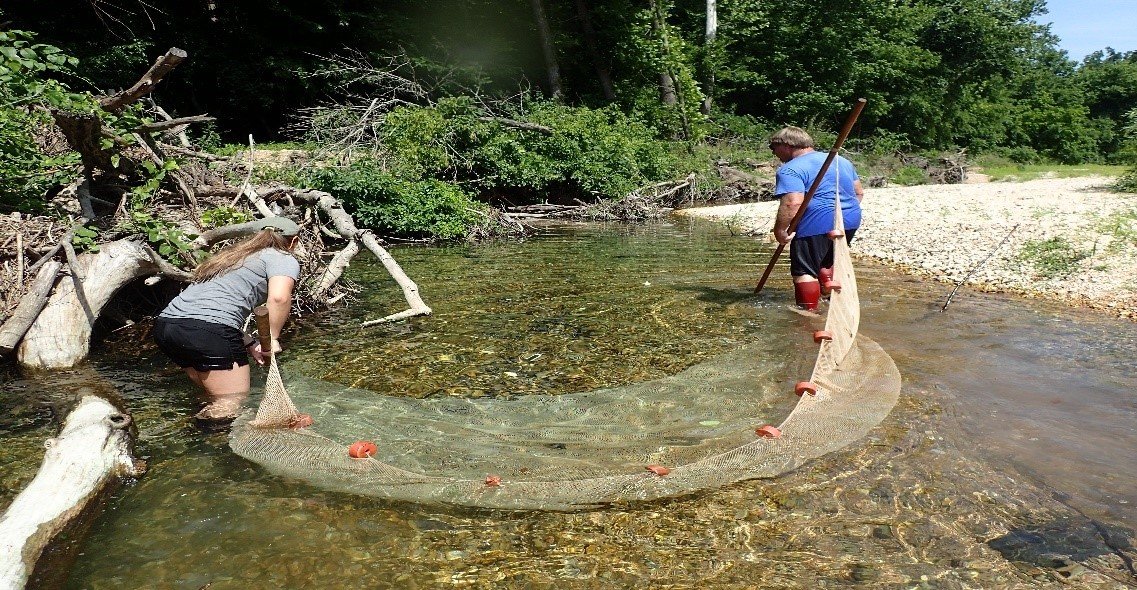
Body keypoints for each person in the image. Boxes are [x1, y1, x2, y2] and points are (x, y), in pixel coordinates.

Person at [153, 217, 301, 424]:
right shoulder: (282, 256)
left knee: (212, 398)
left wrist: (250, 342)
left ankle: (191, 438)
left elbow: (209, 313)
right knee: (230, 404)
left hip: (167, 326)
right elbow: (279, 297)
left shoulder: (230, 257)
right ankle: (210, 451)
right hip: (207, 333)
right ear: (293, 242)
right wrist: (272, 338)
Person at [769, 126, 864, 311]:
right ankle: (830, 296)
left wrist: (780, 231)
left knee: (804, 270)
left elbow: (792, 203)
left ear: (787, 145)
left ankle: (808, 315)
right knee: (826, 261)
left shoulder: (790, 169)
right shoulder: (841, 161)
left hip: (816, 220)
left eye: (773, 147)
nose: (773, 153)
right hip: (850, 219)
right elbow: (858, 193)